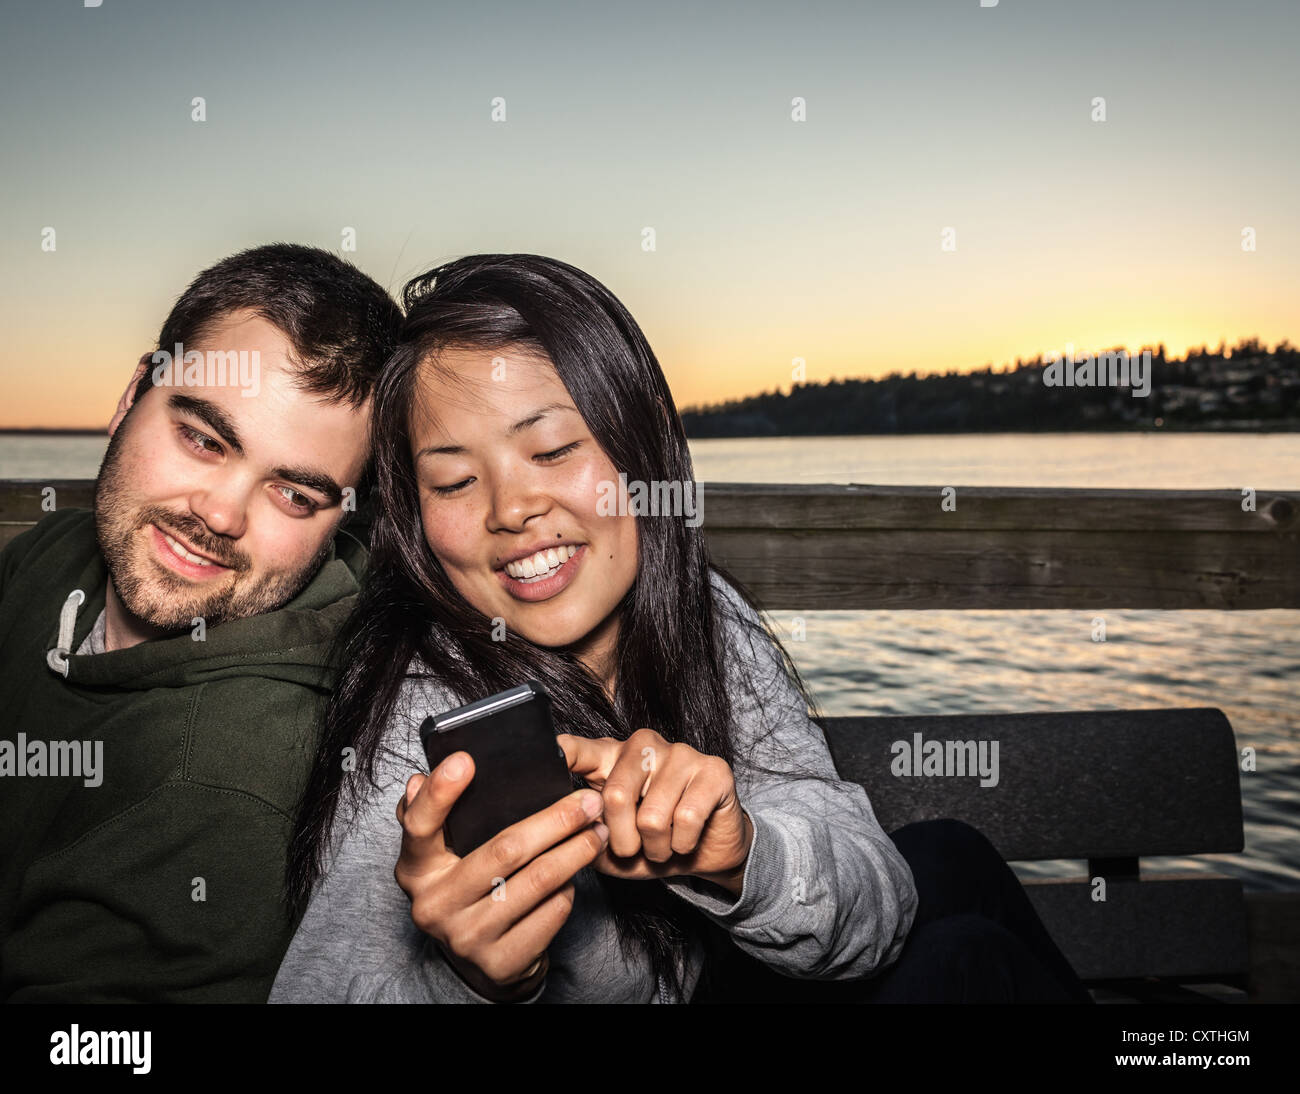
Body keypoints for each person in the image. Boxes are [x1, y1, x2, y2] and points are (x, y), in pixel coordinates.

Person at [272, 253, 1091, 1004]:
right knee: (965, 964)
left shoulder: (701, 612)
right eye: (453, 481)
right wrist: (478, 981)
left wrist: (742, 858)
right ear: (415, 517)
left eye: (553, 450)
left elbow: (871, 913)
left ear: (646, 445)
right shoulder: (428, 745)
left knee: (949, 855)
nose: (512, 509)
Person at [0, 243, 403, 1001]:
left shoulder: (226, 782)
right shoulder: (52, 555)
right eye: (203, 439)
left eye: (294, 495)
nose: (218, 514)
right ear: (130, 399)